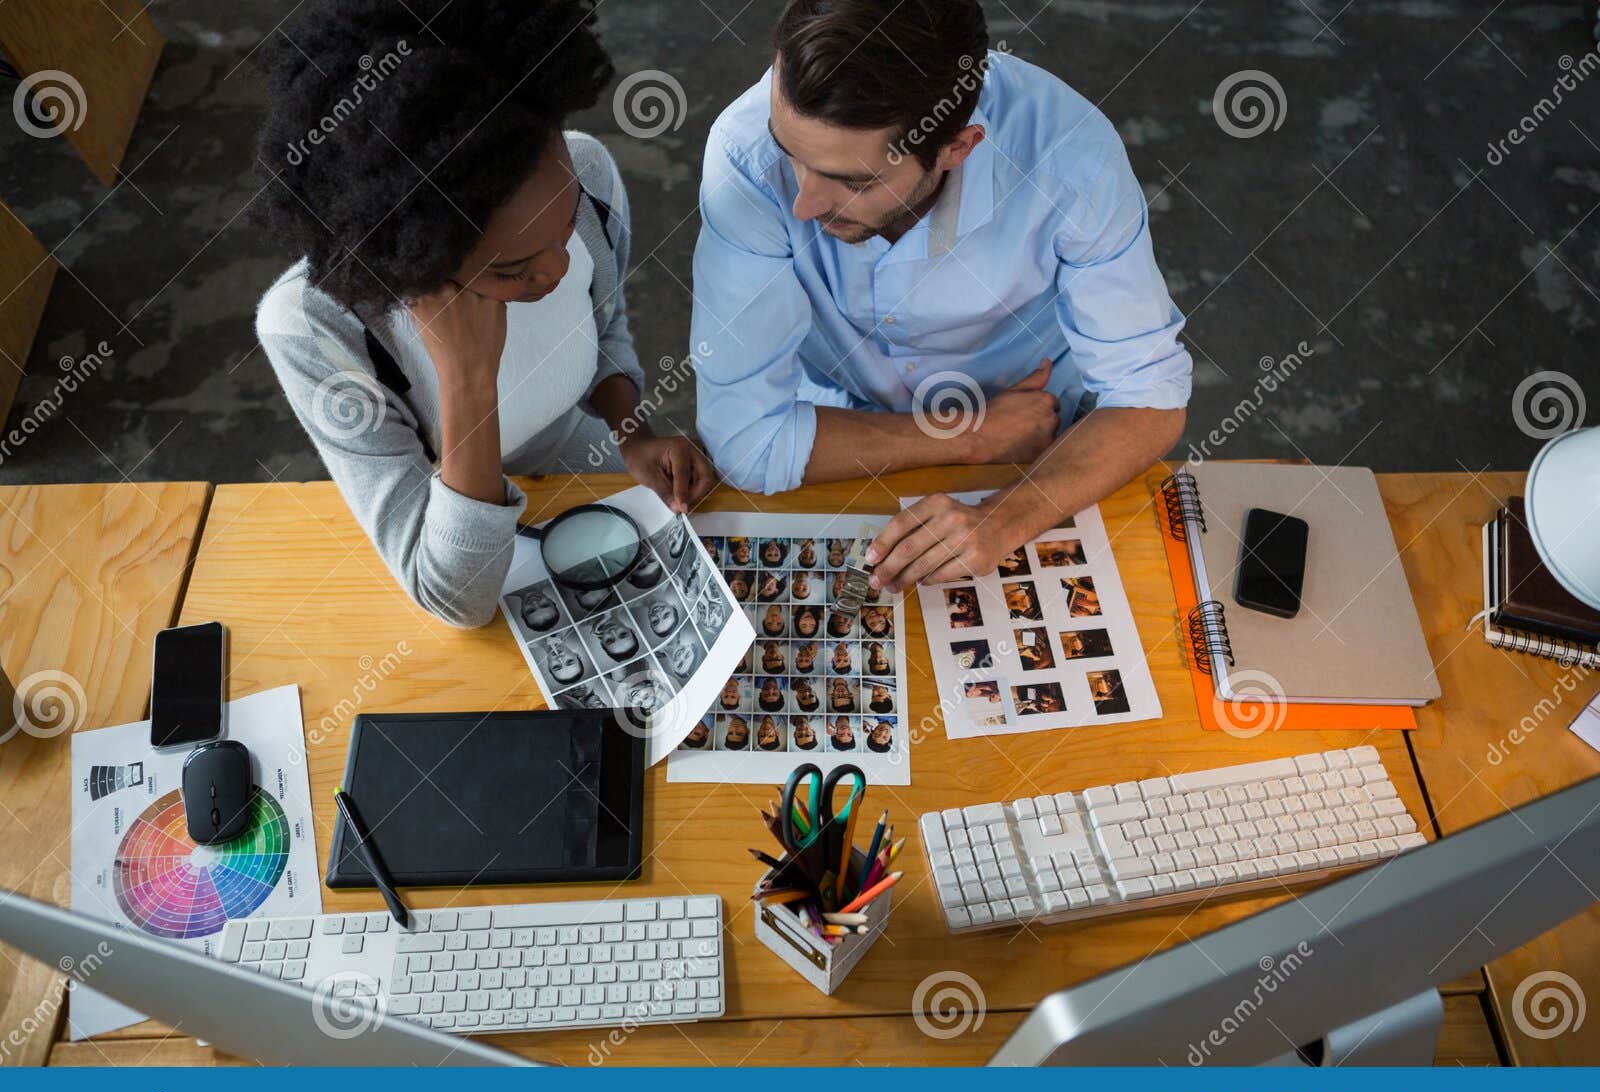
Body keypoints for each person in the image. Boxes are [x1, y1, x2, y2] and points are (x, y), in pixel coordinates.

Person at [692, 0, 1190, 594]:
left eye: (853, 181)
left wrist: (1005, 515)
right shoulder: (744, 153)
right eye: (790, 155)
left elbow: (1147, 397)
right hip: (839, 432)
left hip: (1042, 437)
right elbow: (746, 443)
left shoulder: (1072, 159)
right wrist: (969, 434)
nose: (803, 204)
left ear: (958, 147)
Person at [255, 0, 715, 630]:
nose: (557, 270)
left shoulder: (587, 175)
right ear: (417, 258)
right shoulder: (315, 332)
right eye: (512, 269)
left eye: (565, 227)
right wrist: (468, 378)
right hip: (456, 519)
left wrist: (631, 433)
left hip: (576, 457)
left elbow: (606, 329)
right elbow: (458, 600)